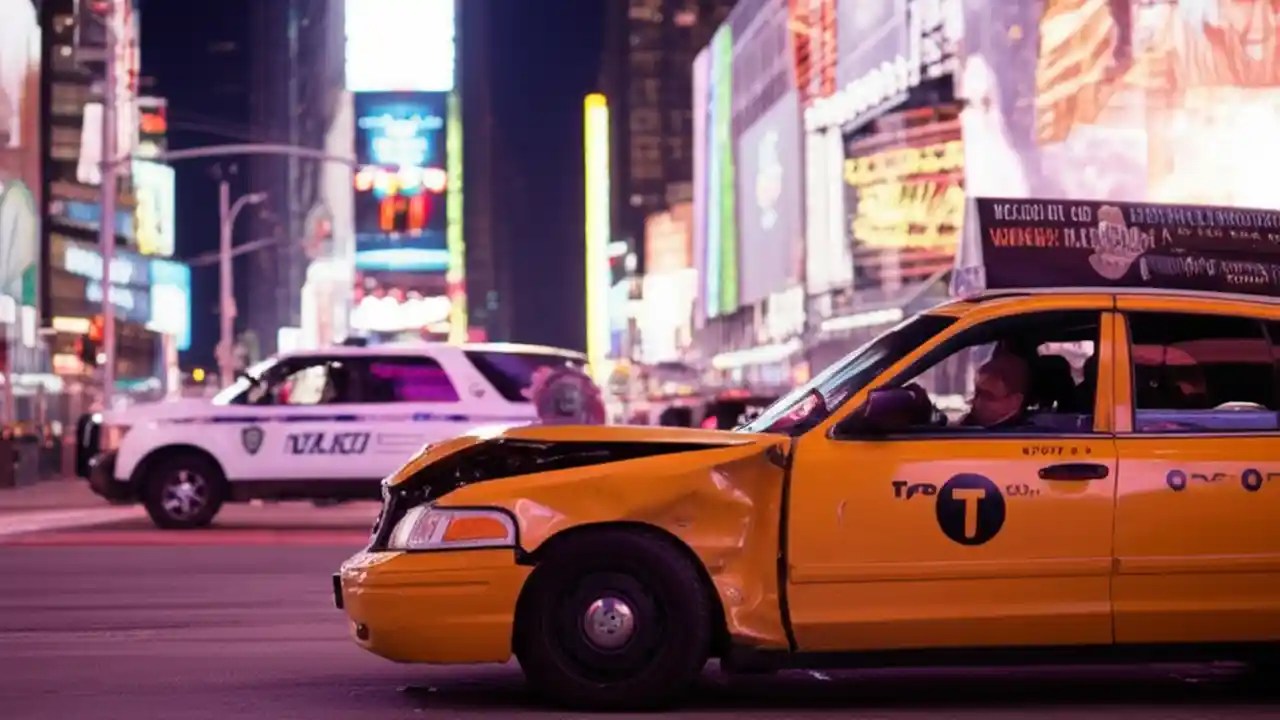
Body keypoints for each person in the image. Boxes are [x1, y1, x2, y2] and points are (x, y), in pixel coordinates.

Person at [961, 353, 1031, 429]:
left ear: (1015, 401)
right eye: (977, 393)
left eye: (988, 396)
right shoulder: (971, 425)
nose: (977, 402)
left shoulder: (1018, 435)